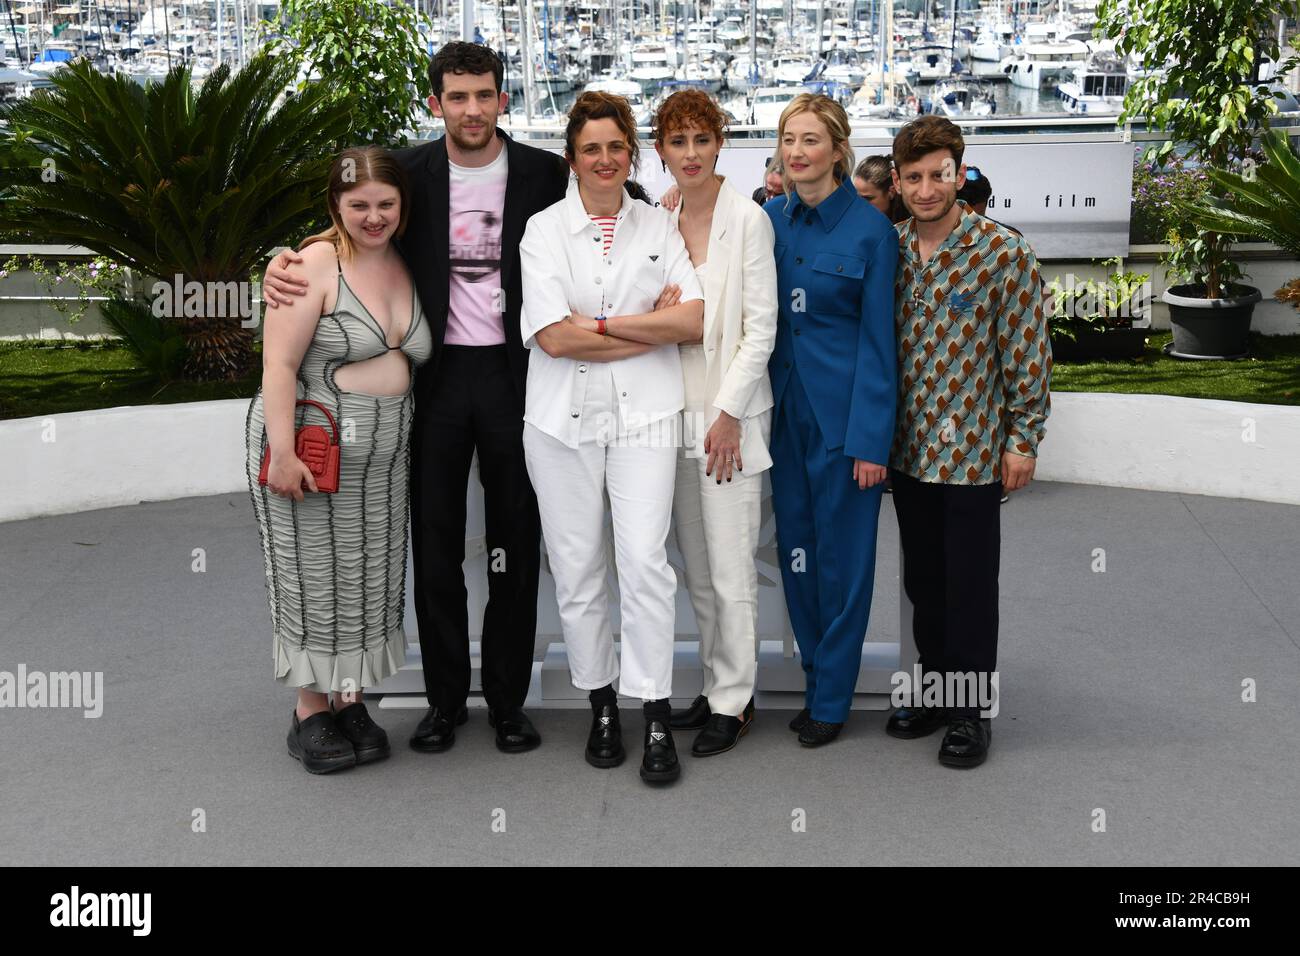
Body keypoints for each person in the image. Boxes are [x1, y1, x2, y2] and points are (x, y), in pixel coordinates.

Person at [263, 42, 569, 756]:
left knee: (513, 543)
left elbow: (620, 202)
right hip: (434, 383)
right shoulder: (413, 173)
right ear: (436, 103)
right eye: (456, 97)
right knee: (432, 546)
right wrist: (285, 257)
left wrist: (675, 201)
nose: (471, 109)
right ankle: (442, 703)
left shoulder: (544, 173)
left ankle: (506, 703)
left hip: (514, 377)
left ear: (502, 99)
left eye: (484, 95)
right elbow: (353, 226)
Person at [518, 91, 706, 785]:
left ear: (633, 154)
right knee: (576, 567)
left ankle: (653, 710)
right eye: (591, 148)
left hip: (645, 419)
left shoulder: (659, 227)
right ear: (573, 158)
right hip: (559, 423)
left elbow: (691, 322)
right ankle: (602, 704)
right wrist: (635, 328)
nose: (604, 159)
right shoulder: (541, 231)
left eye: (616, 147)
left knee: (645, 563)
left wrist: (595, 329)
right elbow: (552, 338)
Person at [246, 147, 432, 774]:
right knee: (314, 579)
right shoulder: (312, 265)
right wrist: (283, 452)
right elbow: (278, 364)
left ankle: (350, 699)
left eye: (386, 204)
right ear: (336, 206)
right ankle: (308, 713)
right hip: (313, 448)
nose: (374, 217)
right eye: (359, 206)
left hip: (383, 461)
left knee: (369, 581)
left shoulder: (408, 263)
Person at [885, 115, 1051, 768]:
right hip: (908, 450)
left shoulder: (1003, 253)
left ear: (960, 172)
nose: (928, 189)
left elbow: (1028, 354)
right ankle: (934, 690)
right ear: (897, 183)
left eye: (939, 175)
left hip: (976, 452)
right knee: (925, 583)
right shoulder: (888, 250)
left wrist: (1024, 439)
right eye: (915, 178)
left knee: (971, 586)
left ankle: (970, 714)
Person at [645, 90, 778, 756]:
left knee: (731, 569)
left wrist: (727, 414)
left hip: (729, 416)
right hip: (671, 413)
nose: (690, 153)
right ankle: (714, 683)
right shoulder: (659, 220)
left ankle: (736, 699)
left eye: (702, 139)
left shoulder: (748, 219)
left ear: (719, 143)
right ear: (661, 149)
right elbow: (647, 309)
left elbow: (761, 330)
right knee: (695, 568)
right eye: (678, 141)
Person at [765, 94, 898, 747]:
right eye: (789, 139)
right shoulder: (769, 220)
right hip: (781, 419)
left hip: (845, 427)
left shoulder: (872, 233)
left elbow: (881, 344)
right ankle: (818, 676)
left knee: (844, 564)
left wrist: (874, 439)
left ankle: (832, 698)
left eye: (811, 139)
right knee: (797, 555)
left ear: (838, 150)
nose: (797, 152)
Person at [852, 155, 908, 224]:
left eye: (868, 199)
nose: (860, 206)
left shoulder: (912, 222)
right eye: (857, 198)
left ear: (891, 192)